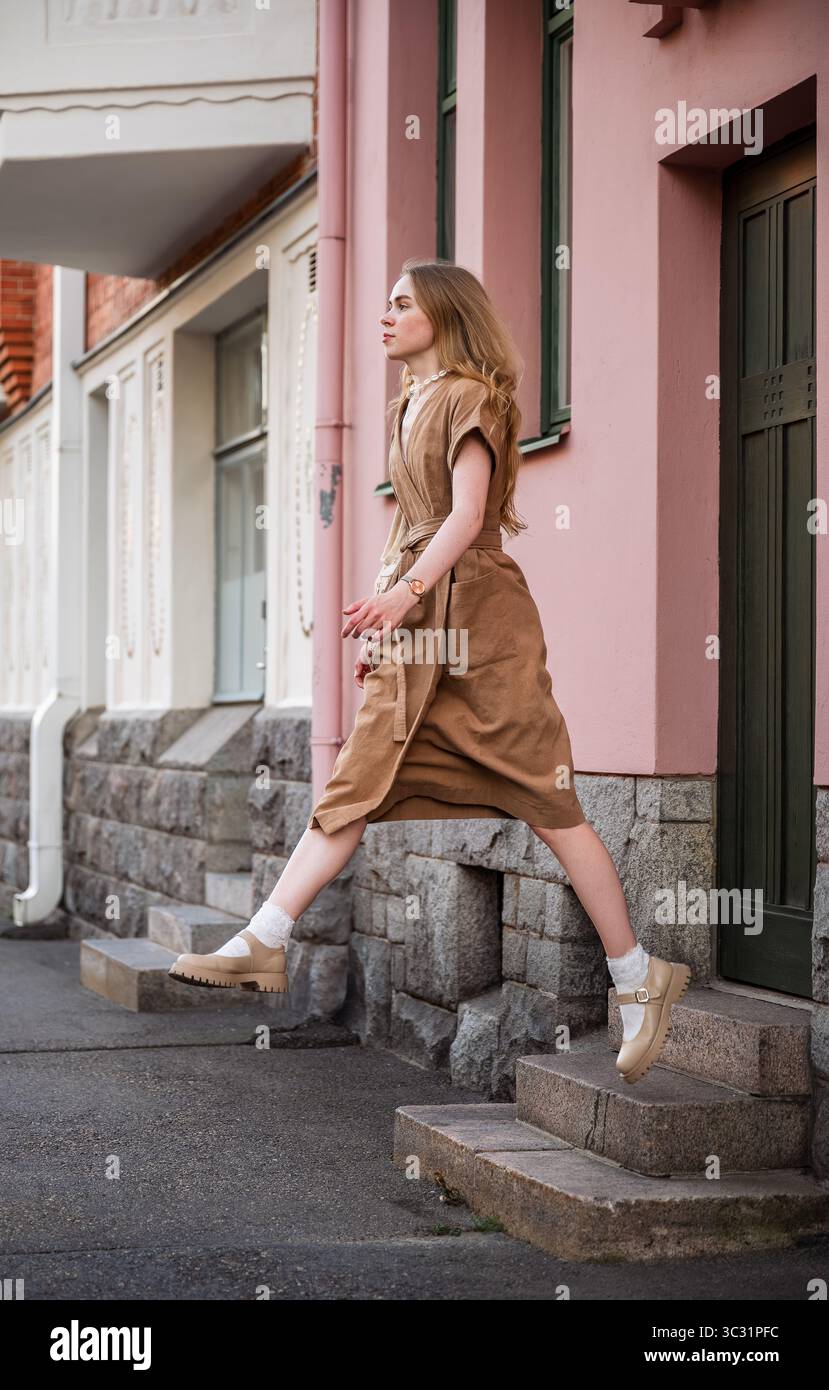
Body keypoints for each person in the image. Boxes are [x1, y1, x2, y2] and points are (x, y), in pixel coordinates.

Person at [169, 258, 690, 1084]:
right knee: (354, 780)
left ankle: (639, 979)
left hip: (481, 623)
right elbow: (409, 528)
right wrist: (386, 613)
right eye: (383, 304)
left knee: (548, 801)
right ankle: (263, 939)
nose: (386, 315)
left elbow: (468, 514)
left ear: (442, 315)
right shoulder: (406, 402)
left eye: (401, 304)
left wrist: (404, 597)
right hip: (419, 622)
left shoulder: (469, 396)